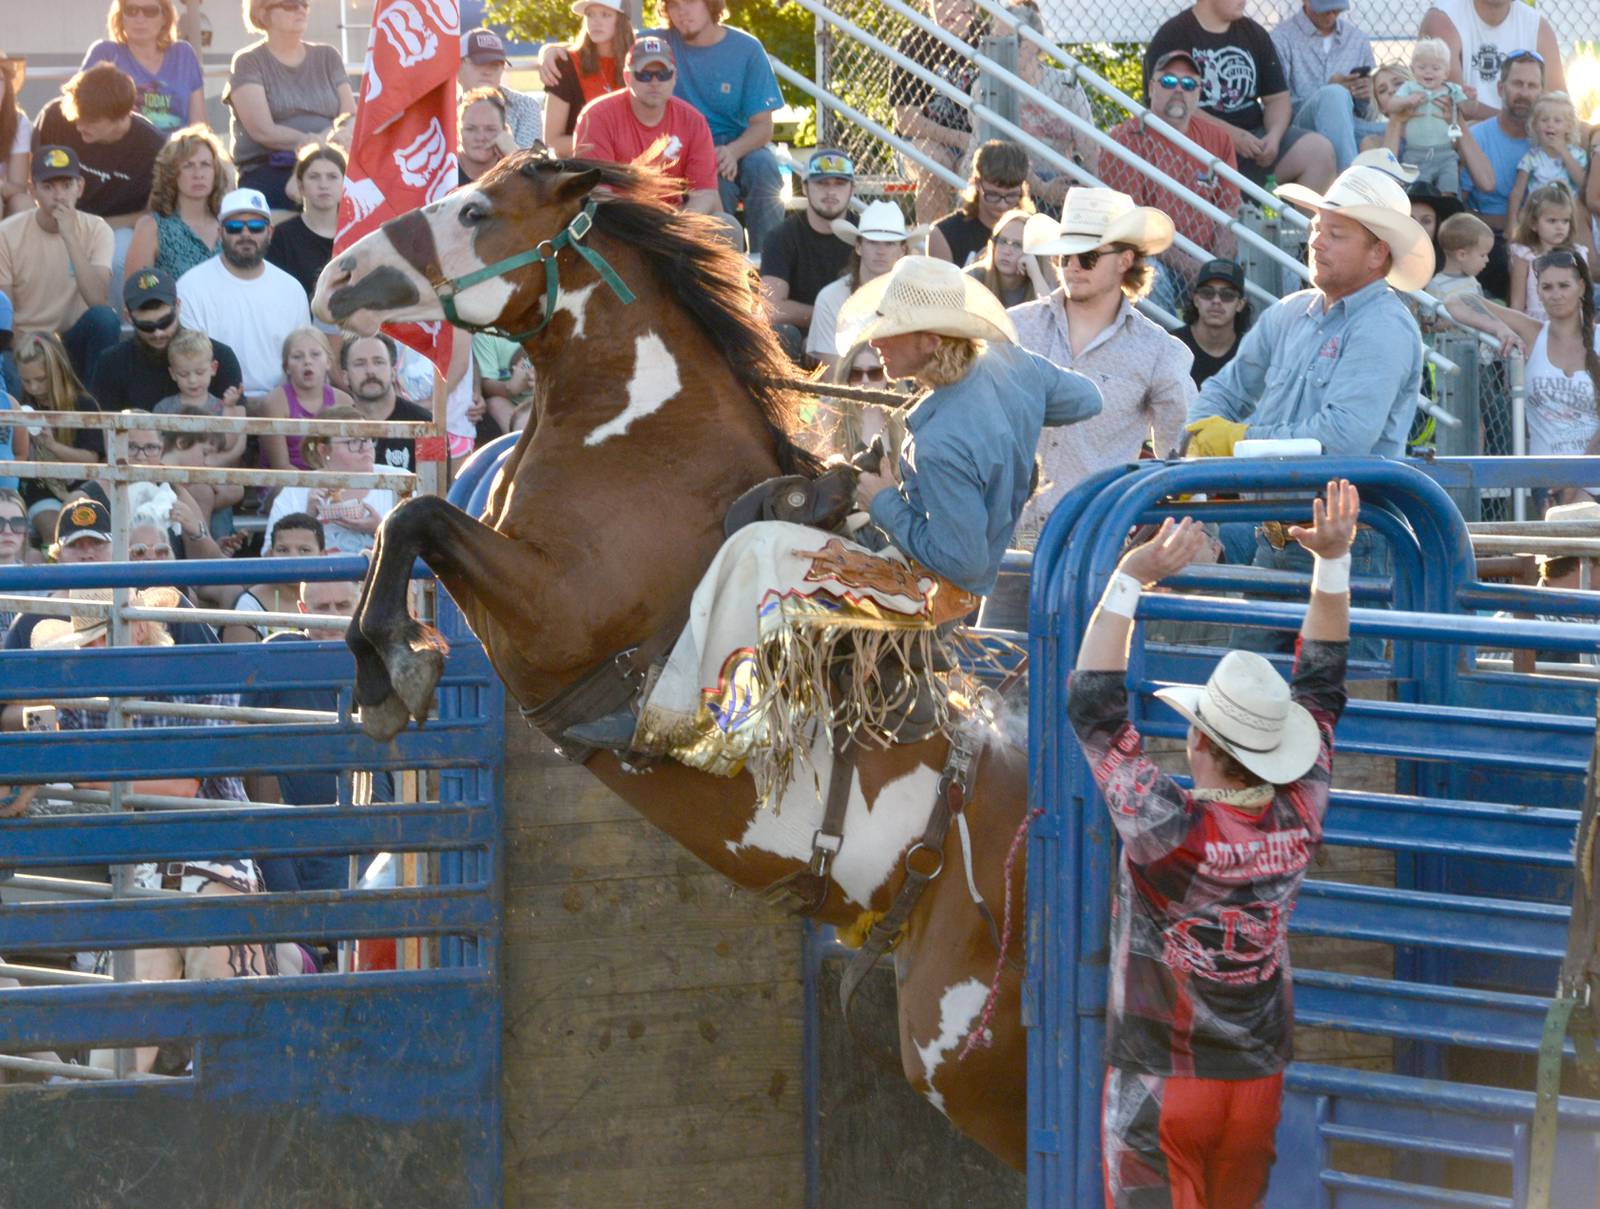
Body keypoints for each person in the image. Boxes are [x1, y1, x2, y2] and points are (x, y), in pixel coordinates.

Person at [1071, 484, 1357, 1209]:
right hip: (1255, 1080)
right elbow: (1320, 685)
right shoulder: (1301, 808)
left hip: (1163, 1078)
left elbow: (1093, 706)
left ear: (1198, 737)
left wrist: (1131, 576)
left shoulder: (1165, 827)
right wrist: (1332, 563)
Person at [1186, 164, 1430, 656]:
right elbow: (1223, 389)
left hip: (1351, 544)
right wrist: (1202, 427)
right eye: (1317, 228)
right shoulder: (1291, 313)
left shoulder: (1385, 326)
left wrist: (1235, 442)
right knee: (1254, 693)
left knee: (1336, 694)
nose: (1315, 241)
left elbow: (1343, 436)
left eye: (1335, 233)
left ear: (1377, 252)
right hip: (1276, 539)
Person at [843, 255, 1104, 597]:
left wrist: (882, 503)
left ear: (932, 342)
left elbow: (965, 565)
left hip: (938, 608)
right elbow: (1088, 399)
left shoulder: (940, 443)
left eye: (891, 331)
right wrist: (1017, 410)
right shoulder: (1009, 361)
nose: (875, 341)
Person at [1011, 190, 1194, 546]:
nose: (1073, 266)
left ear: (1125, 261)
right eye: (1065, 255)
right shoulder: (1012, 328)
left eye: (1089, 256)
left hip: (1093, 541)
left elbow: (1181, 463)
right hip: (1006, 533)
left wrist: (1141, 542)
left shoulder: (1158, 351)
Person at [1144, 0, 1336, 191]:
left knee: (1319, 152)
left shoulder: (1253, 33)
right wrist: (1229, 135)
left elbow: (1277, 98)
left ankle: (1297, 222)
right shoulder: (1173, 36)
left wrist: (1274, 136)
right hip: (1198, 149)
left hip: (1253, 145)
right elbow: (1166, 107)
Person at [1101, 50, 1243, 309]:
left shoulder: (1218, 138)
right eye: (1168, 81)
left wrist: (1217, 269)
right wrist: (1193, 268)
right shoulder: (1126, 138)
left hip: (1208, 257)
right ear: (1152, 87)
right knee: (1150, 278)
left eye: (1189, 84)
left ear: (1198, 93)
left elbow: (1228, 209)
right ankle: (1168, 348)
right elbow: (1136, 230)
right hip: (1155, 256)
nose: (1179, 89)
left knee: (1277, 267)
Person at [1446, 249, 1600, 468]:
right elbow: (1456, 301)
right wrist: (1499, 328)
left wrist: (1575, 479)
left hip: (1592, 476)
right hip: (1544, 476)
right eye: (1547, 287)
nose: (1556, 295)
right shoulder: (1534, 332)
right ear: (1537, 292)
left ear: (1582, 287)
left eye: (1564, 286)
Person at [32, 63, 166, 287]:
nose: (80, 126)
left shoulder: (153, 147)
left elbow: (153, 212)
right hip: (53, 218)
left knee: (119, 256)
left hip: (116, 227)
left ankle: (117, 320)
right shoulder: (55, 117)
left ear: (122, 116)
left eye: (91, 121)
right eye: (78, 117)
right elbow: (35, 181)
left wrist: (93, 225)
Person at [175, 187, 312, 397]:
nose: (245, 234)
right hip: (214, 405)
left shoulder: (292, 289)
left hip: (280, 405)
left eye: (256, 226)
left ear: (270, 232)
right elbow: (188, 360)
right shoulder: (190, 287)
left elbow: (303, 358)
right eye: (234, 227)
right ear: (220, 233)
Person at [0, 148, 120, 381]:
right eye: (48, 187)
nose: (59, 196)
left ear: (80, 187)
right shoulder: (6, 233)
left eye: (66, 185)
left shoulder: (97, 229)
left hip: (73, 341)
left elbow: (98, 300)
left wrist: (70, 238)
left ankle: (93, 409)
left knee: (105, 320)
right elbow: (5, 314)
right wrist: (31, 352)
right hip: (25, 342)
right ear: (32, 189)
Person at [224, 0, 355, 209]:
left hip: (329, 164)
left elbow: (350, 116)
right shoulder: (248, 61)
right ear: (263, 13)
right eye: (290, 4)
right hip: (269, 167)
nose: (301, 9)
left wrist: (319, 143)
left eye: (304, 4)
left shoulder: (328, 57)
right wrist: (316, 143)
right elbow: (263, 131)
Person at [573, 37, 719, 215]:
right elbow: (599, 193)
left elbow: (704, 193)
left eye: (664, 74)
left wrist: (678, 229)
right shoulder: (596, 117)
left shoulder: (694, 120)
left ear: (675, 77)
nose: (655, 82)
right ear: (627, 77)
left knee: (729, 225)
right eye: (644, 75)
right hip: (614, 222)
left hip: (676, 218)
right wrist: (645, 230)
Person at [88, 268, 244, 412]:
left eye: (165, 321)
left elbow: (239, 429)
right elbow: (104, 433)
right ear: (128, 317)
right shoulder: (112, 363)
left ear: (178, 306)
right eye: (146, 325)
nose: (158, 333)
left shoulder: (219, 356)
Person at [1459, 50, 1544, 299]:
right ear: (1500, 88)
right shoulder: (1478, 137)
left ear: (1541, 93)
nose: (1524, 93)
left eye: (1532, 86)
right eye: (1517, 84)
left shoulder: (1548, 142)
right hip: (1488, 238)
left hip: (1541, 235)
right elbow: (1459, 205)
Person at [891, 0, 981, 223]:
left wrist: (971, 143)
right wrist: (958, 138)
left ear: (972, 6)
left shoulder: (986, 40)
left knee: (979, 171)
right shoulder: (914, 42)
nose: (948, 8)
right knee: (936, 164)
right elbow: (905, 120)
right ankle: (930, 250)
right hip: (922, 140)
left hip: (975, 140)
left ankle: (972, 250)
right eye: (940, 1)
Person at [759, 148, 856, 356]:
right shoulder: (781, 237)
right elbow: (771, 308)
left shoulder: (866, 235)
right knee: (781, 335)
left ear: (852, 189)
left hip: (855, 332)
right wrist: (822, 320)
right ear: (804, 187)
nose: (830, 192)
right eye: (821, 183)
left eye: (839, 183)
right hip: (800, 337)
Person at [12, 333, 105, 547]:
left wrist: (53, 445)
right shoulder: (24, 404)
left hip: (82, 489)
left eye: (40, 379)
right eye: (26, 381)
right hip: (40, 488)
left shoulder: (83, 404)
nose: (33, 388)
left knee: (83, 534)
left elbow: (91, 459)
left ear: (57, 372)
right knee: (56, 532)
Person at [1002, 1, 1095, 210]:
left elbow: (1089, 148)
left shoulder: (1065, 84)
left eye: (1017, 38)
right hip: (1016, 182)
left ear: (1035, 41)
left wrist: (1096, 189)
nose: (1009, 45)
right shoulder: (996, 87)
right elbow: (1003, 154)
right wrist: (1042, 188)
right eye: (1003, 38)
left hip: (1063, 180)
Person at [807, 199, 921, 370]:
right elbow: (831, 376)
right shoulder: (830, 298)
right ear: (858, 247)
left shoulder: (917, 298)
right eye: (872, 242)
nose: (881, 251)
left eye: (889, 243)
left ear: (902, 250)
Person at [1269, 0, 1382, 172]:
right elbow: (1278, 106)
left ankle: (1419, 193)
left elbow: (1370, 115)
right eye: (1324, 9)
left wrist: (1366, 97)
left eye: (1336, 9)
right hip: (1301, 129)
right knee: (1333, 95)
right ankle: (1348, 186)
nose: (1331, 14)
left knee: (1404, 130)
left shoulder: (1357, 40)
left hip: (1351, 126)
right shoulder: (1281, 38)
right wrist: (1327, 92)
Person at [265, 406, 396, 554]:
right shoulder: (296, 489)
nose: (365, 447)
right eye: (352, 442)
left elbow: (423, 546)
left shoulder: (399, 480)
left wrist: (379, 528)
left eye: (367, 439)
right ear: (323, 450)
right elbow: (269, 556)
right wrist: (309, 517)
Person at [80, 0, 207, 135]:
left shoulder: (183, 54)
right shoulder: (105, 53)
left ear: (164, 18)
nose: (140, 19)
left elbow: (199, 124)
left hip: (178, 153)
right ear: (121, 17)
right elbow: (81, 109)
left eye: (150, 11)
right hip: (123, 151)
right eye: (131, 11)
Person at [123, 124, 229, 285]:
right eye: (188, 166)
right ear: (172, 173)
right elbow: (134, 294)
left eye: (205, 165)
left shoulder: (231, 225)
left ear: (216, 172)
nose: (198, 174)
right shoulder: (152, 228)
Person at [1418, 0, 1564, 109]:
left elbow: (1559, 104)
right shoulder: (1443, 18)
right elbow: (1454, 104)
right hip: (1459, 140)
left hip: (1525, 138)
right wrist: (1514, 124)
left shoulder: (1538, 26)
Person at [542, 0, 631, 157]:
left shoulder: (639, 61)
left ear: (622, 20)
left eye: (605, 15)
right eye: (590, 15)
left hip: (631, 167)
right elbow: (552, 141)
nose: (596, 22)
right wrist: (605, 143)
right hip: (583, 170)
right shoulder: (565, 64)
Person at [255, 325, 351, 470]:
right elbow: (280, 466)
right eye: (297, 356)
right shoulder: (274, 403)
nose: (307, 361)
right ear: (287, 366)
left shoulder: (344, 402)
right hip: (285, 482)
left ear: (329, 363)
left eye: (315, 354)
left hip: (333, 479)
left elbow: (351, 457)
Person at [928, 139, 1033, 268]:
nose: (1002, 205)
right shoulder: (944, 234)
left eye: (1011, 196)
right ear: (977, 184)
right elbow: (940, 286)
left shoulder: (1035, 232)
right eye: (993, 195)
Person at [223, 510, 323, 641]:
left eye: (304, 550)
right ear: (271, 554)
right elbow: (241, 660)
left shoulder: (339, 598)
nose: (293, 558)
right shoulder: (249, 605)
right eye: (283, 550)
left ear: (323, 555)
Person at [340, 332, 431, 476]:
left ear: (393, 372)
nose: (370, 371)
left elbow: (435, 488)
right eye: (360, 364)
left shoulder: (425, 424)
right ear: (345, 377)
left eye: (378, 362)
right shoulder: (336, 428)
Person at [1390, 39, 1471, 195]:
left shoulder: (1451, 89)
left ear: (1446, 73)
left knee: (1449, 189)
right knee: (1418, 193)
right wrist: (1407, 100)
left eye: (1435, 68)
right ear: (1413, 70)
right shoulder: (1410, 88)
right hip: (1415, 154)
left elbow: (1467, 110)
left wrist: (1470, 98)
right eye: (1422, 67)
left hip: (1445, 153)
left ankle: (1448, 212)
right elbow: (1392, 105)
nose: (1428, 72)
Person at [1506, 91, 1589, 237]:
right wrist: (1512, 222)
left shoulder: (1578, 155)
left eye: (1557, 121)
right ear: (1535, 125)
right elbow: (1517, 192)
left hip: (1568, 220)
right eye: (1544, 120)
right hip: (1538, 220)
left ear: (1569, 126)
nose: (1550, 125)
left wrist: (1563, 152)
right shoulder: (1531, 157)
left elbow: (1584, 184)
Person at [265, 141, 342, 299]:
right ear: (300, 186)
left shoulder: (357, 232)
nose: (323, 185)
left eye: (332, 177)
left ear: (345, 183)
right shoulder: (282, 237)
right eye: (314, 177)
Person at [1508, 183, 1587, 320]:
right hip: (1535, 324)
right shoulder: (1525, 255)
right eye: (1552, 221)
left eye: (1565, 221)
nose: (1560, 227)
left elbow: (1585, 298)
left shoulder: (1577, 253)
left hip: (1570, 323)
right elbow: (1517, 302)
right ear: (1533, 223)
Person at [459, 27, 545, 150]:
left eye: (495, 65)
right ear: (457, 67)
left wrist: (511, 152)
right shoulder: (442, 109)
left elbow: (531, 166)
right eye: (479, 63)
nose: (487, 71)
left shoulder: (525, 106)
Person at [1177, 258, 1252, 387]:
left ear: (1240, 304)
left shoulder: (1250, 353)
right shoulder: (1173, 346)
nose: (1216, 300)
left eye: (1227, 295)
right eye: (1207, 293)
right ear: (1196, 300)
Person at [963, 208, 1044, 309]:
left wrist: (1035, 274)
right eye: (1002, 241)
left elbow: (1051, 317)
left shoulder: (1040, 282)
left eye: (1017, 245)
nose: (1007, 251)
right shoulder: (973, 277)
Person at [1427, 211, 1494, 301]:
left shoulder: (1473, 282)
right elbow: (1427, 314)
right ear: (1461, 255)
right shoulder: (1437, 285)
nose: (1487, 260)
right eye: (1482, 255)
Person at [457, 87, 512, 188]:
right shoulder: (444, 172)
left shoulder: (512, 172)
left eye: (490, 129)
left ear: (505, 131)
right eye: (471, 129)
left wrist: (514, 155)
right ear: (458, 131)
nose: (480, 137)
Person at [0, 55, 28, 217]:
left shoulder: (18, 122)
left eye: (0, 79)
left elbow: (19, 186)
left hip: (4, 193)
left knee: (23, 203)